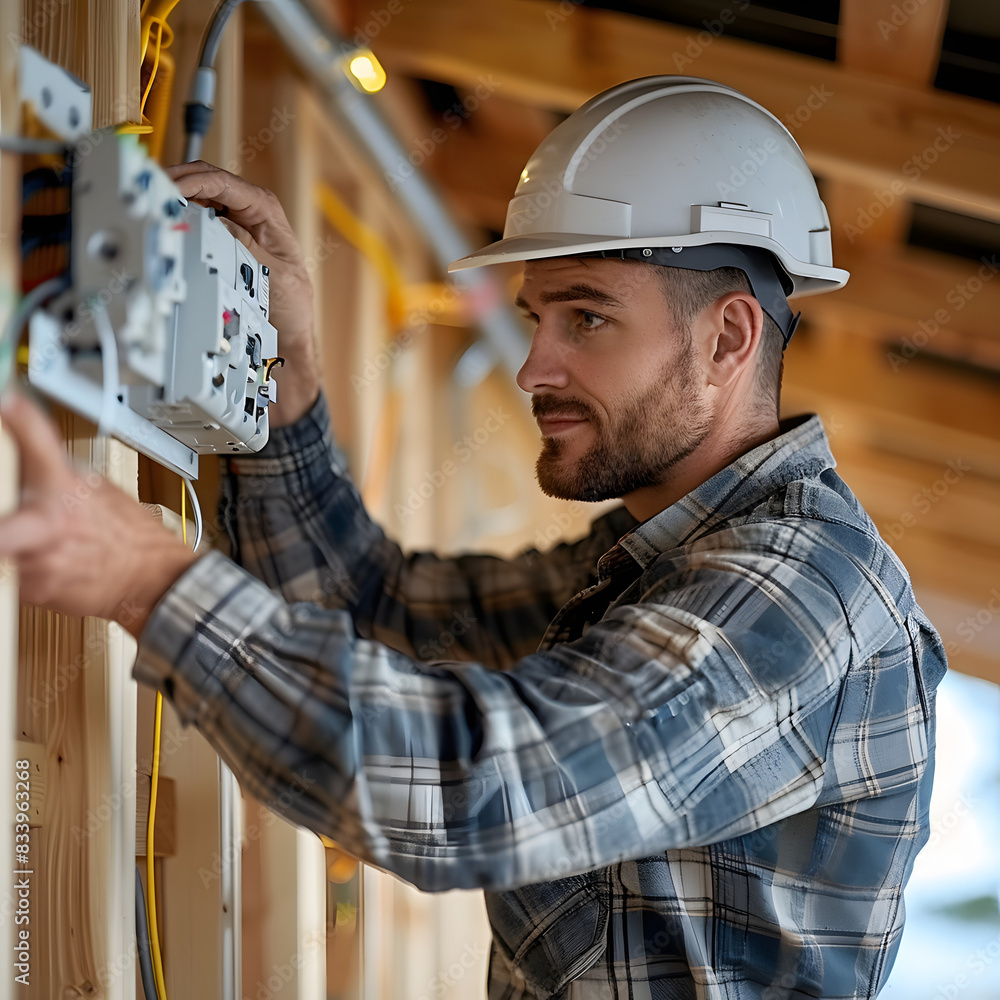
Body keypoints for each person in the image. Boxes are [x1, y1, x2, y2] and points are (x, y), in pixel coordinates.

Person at [0, 77, 946, 999]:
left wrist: (149, 578)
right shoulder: (648, 567)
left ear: (728, 339)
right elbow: (374, 608)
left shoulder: (803, 590)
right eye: (539, 318)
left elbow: (481, 790)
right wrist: (286, 376)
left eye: (587, 316)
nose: (534, 367)